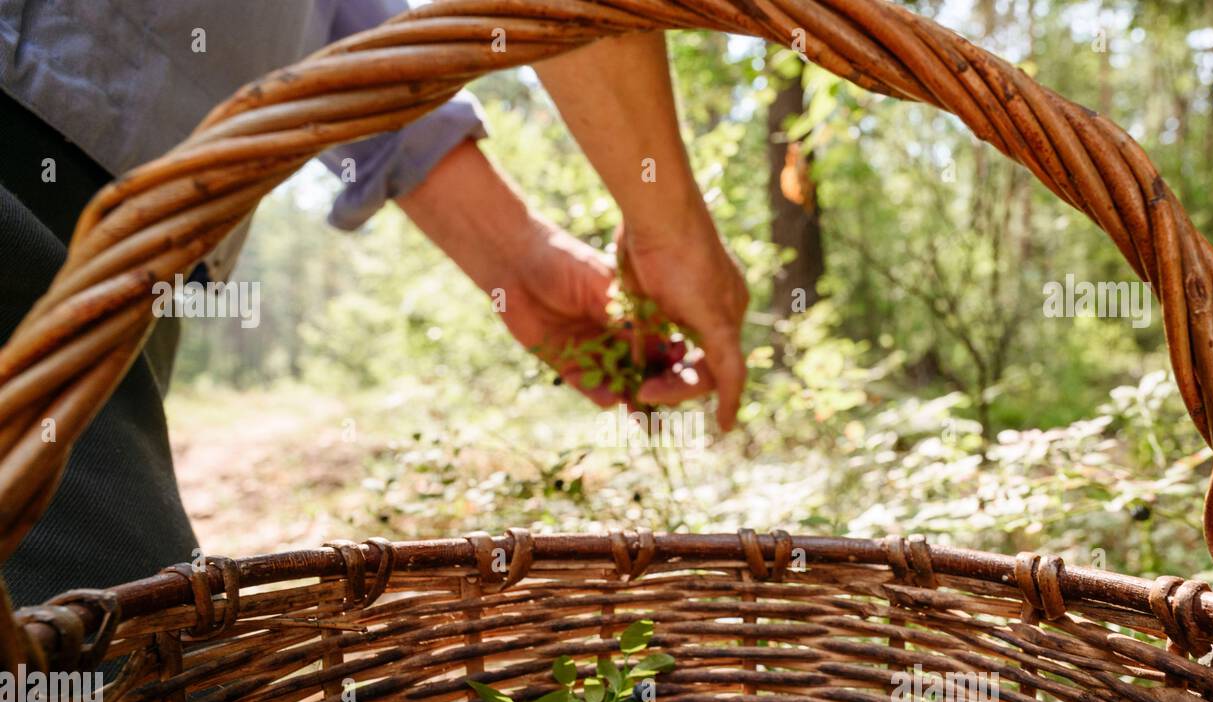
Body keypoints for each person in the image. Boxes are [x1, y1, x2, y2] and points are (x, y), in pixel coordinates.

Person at [0, 1, 747, 608]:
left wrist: (518, 257)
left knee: (124, 678)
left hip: (129, 226)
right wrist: (670, 231)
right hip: (29, 153)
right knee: (117, 692)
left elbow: (340, 28)